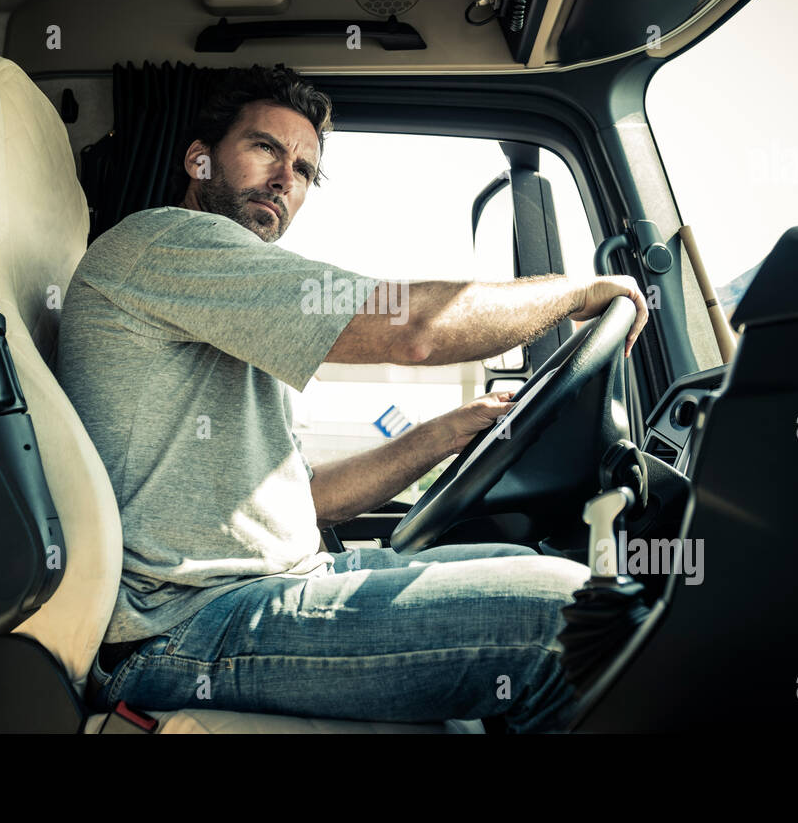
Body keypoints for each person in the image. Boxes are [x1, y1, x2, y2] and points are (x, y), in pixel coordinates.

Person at [56, 64, 649, 733]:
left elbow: (304, 502)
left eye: (305, 169)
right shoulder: (168, 240)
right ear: (199, 160)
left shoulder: (223, 299)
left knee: (531, 567)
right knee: (567, 619)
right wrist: (577, 294)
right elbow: (413, 329)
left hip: (271, 582)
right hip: (181, 626)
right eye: (265, 149)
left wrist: (446, 434)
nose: (286, 178)